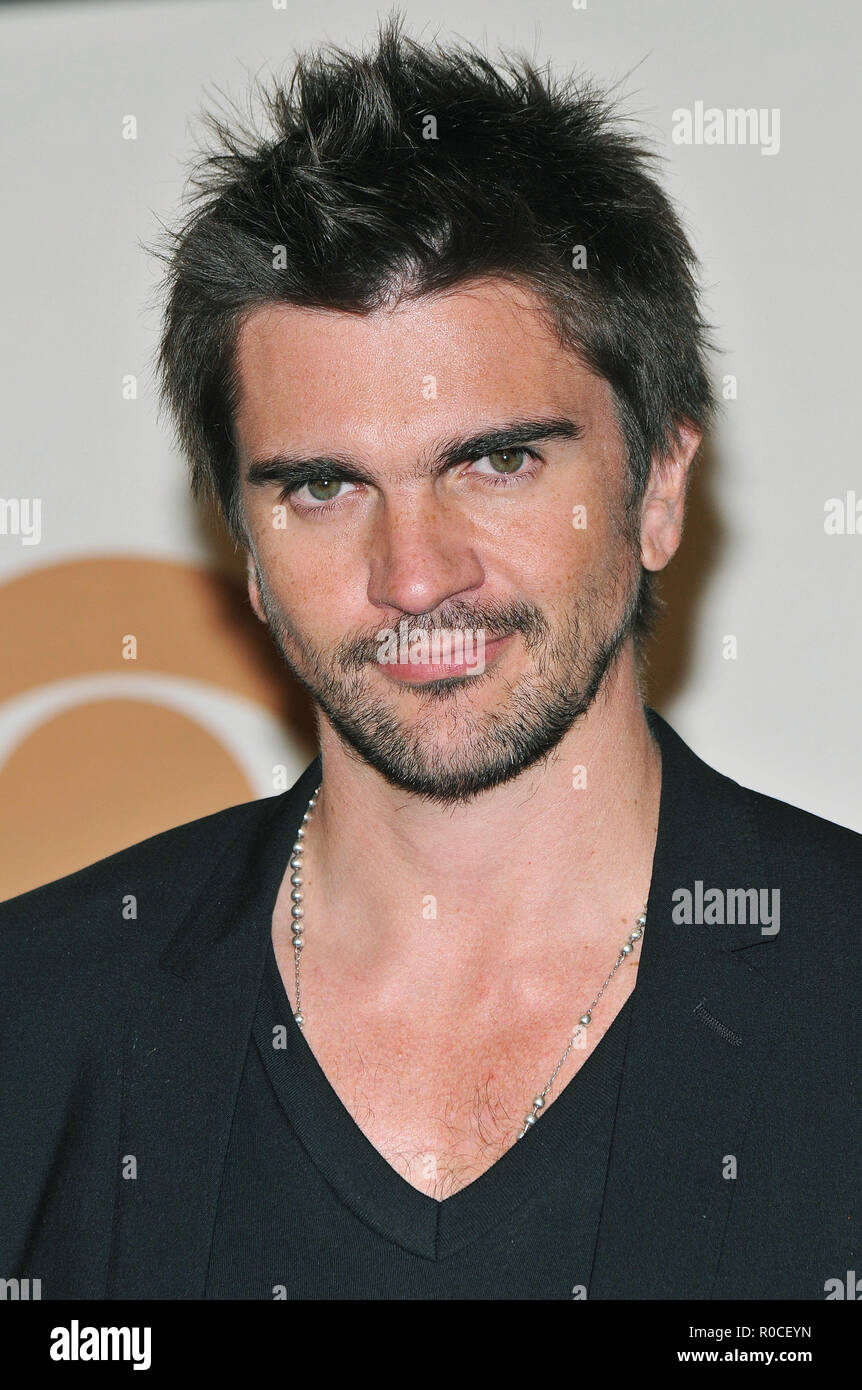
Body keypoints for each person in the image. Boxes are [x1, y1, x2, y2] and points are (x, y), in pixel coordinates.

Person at [0, 17, 858, 1301]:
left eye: (496, 461)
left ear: (660, 485)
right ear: (242, 540)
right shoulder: (37, 1017)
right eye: (325, 487)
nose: (414, 575)